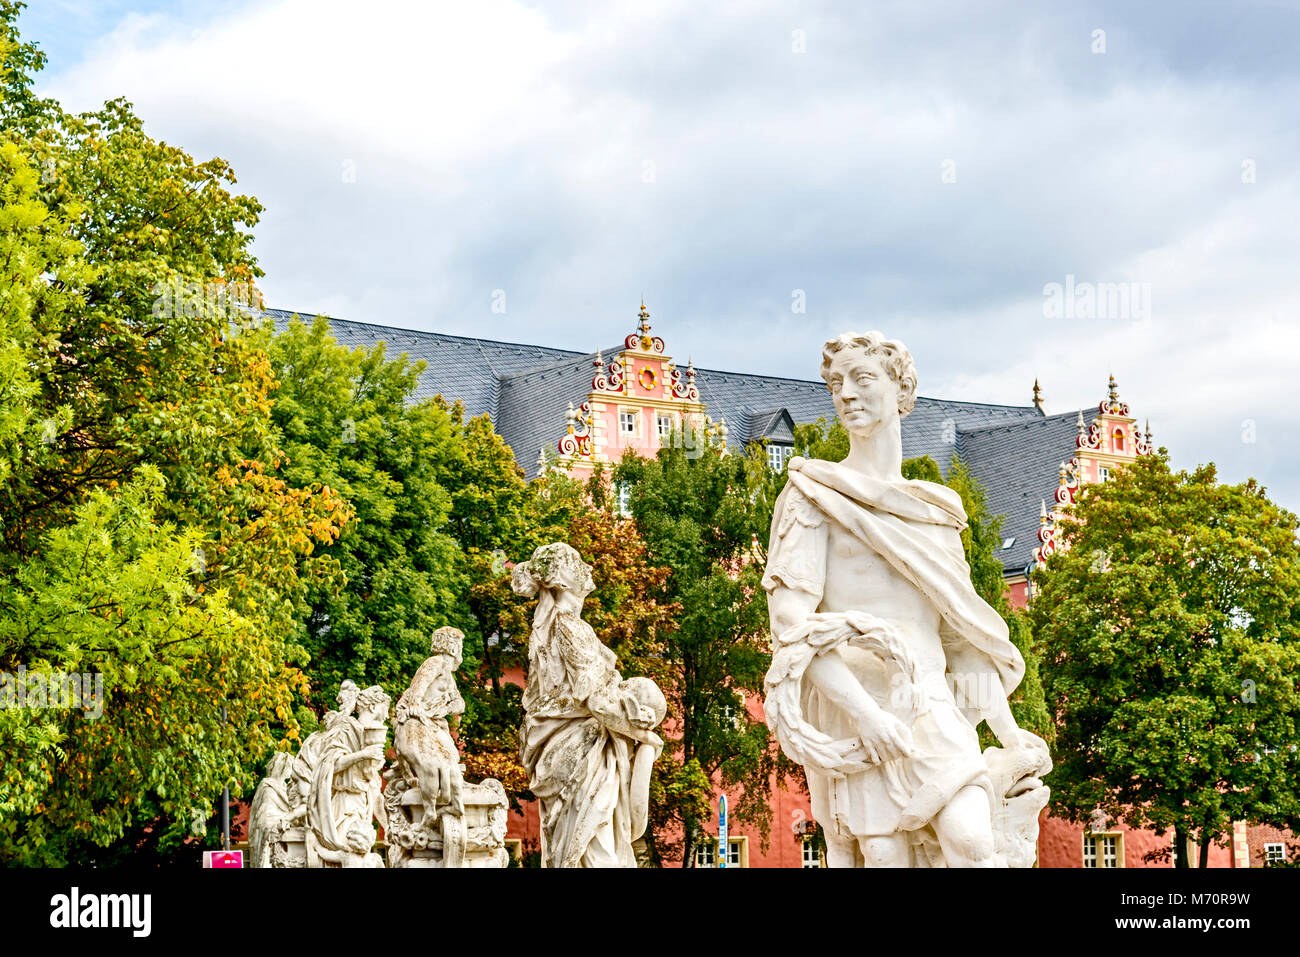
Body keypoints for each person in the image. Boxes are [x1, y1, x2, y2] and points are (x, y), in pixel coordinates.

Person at [763, 332, 1051, 867]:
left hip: (932, 704)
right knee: (885, 855)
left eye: (862, 379)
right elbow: (791, 628)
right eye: (835, 383)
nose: (846, 393)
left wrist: (1010, 736)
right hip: (853, 710)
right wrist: (868, 718)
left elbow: (960, 640)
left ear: (901, 391)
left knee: (971, 841)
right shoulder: (811, 496)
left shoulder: (936, 512)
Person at [514, 542, 665, 867]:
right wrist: (640, 730)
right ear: (565, 580)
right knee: (595, 852)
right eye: (579, 564)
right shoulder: (570, 627)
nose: (588, 570)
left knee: (575, 848)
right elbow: (596, 698)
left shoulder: (546, 627)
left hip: (563, 753)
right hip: (581, 756)